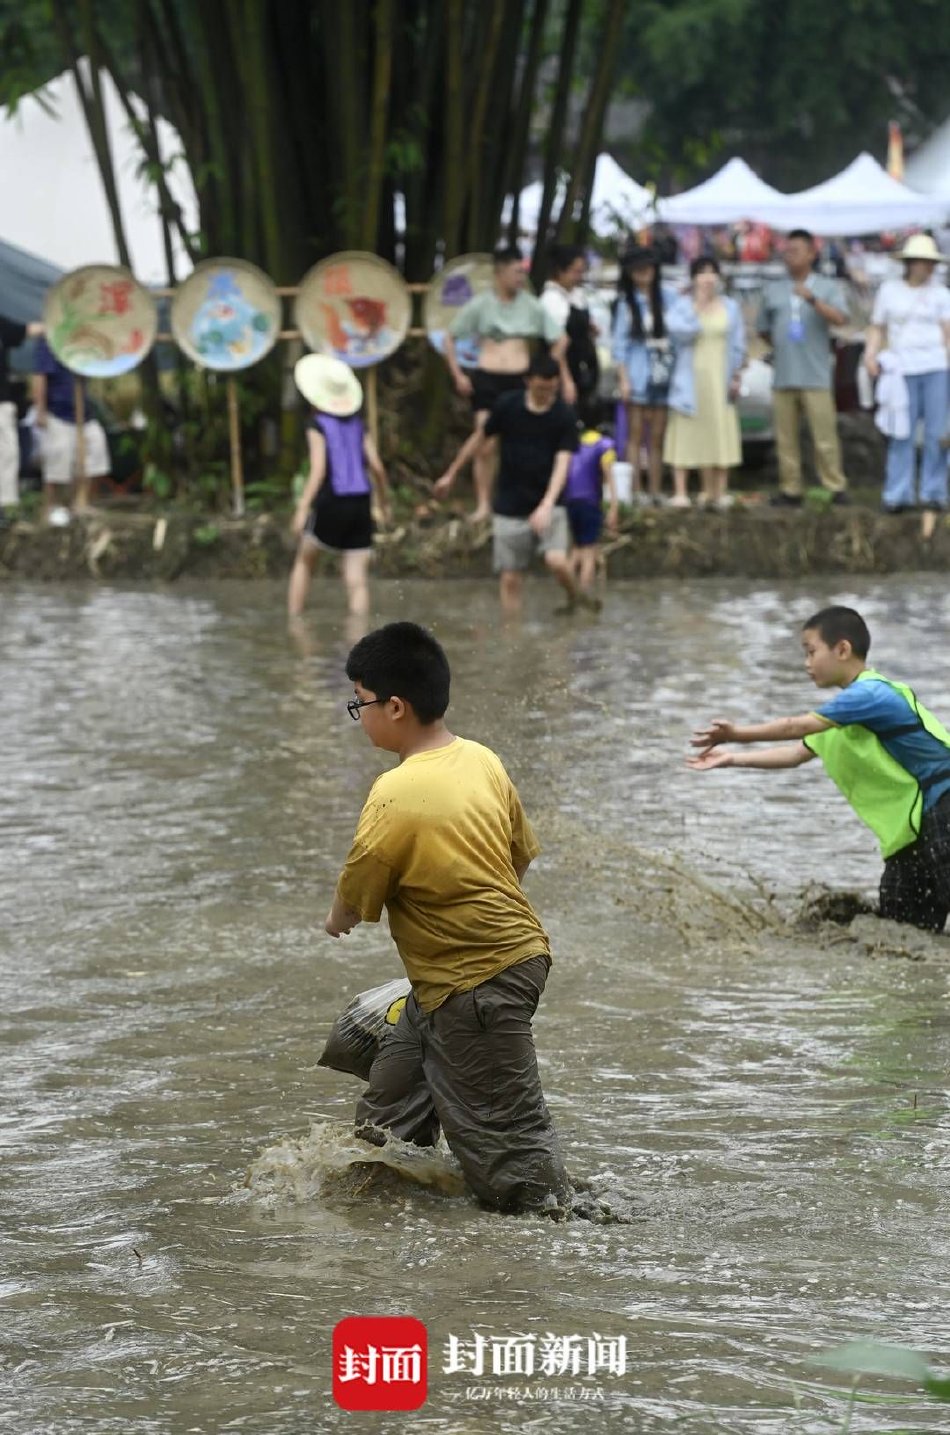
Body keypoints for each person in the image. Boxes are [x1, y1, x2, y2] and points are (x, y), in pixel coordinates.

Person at [325, 621, 571, 1216]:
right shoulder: (481, 760)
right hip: (468, 974)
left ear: (396, 706)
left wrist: (336, 918)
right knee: (389, 1114)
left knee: (509, 1155)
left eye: (359, 703)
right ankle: (386, 1198)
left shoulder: (395, 791)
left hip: (478, 983)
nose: (360, 716)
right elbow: (517, 859)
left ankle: (569, 1234)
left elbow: (357, 897)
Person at [688, 605, 950, 932]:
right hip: (913, 831)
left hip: (943, 808)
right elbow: (795, 753)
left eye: (811, 652)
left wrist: (737, 734)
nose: (806, 663)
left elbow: (792, 727)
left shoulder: (871, 693)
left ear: (842, 649)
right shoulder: (841, 717)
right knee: (901, 931)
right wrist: (731, 759)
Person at [434, 353, 580, 614]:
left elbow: (563, 464)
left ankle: (575, 597)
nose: (547, 393)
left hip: (550, 501)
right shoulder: (508, 406)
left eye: (552, 388)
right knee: (510, 577)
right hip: (510, 502)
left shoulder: (563, 416)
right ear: (528, 381)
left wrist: (546, 504)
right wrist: (451, 474)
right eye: (541, 387)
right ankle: (513, 638)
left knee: (557, 560)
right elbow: (478, 439)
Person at [442, 244, 568, 521]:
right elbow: (449, 337)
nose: (520, 278)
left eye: (522, 273)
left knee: (518, 442)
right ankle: (483, 503)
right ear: (499, 273)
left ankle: (513, 498)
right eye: (515, 272)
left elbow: (560, 339)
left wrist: (544, 372)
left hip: (519, 378)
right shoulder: (480, 305)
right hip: (487, 377)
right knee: (485, 440)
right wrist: (458, 374)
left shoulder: (532, 306)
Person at [288, 354, 390, 620]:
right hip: (361, 502)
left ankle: (295, 623)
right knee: (357, 580)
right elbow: (377, 467)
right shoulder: (358, 424)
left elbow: (319, 470)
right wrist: (383, 502)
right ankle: (358, 640)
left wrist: (301, 509)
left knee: (305, 560)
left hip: (333, 499)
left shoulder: (317, 425)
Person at [863, 233, 950, 537]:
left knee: (938, 434)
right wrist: (870, 354)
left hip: (936, 366)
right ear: (909, 263)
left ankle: (934, 492)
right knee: (901, 431)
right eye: (920, 262)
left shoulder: (941, 295)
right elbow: (878, 326)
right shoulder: (890, 291)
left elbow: (948, 333)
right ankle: (897, 493)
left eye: (929, 263)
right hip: (901, 368)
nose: (924, 267)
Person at [757, 228, 849, 507]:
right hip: (784, 373)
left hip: (816, 374)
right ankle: (791, 489)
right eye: (786, 251)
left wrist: (812, 300)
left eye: (796, 250)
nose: (790, 256)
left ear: (811, 253)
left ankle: (834, 485)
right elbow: (763, 329)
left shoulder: (827, 287)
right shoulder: (773, 289)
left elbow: (840, 319)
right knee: (785, 437)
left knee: (824, 434)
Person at [663, 257, 745, 509]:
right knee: (686, 430)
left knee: (719, 430)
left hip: (720, 375)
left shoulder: (730, 307)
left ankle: (717, 492)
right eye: (702, 273)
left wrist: (736, 374)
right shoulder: (683, 306)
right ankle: (681, 491)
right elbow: (678, 332)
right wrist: (699, 306)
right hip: (690, 376)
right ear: (693, 278)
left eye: (712, 272)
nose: (708, 278)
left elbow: (738, 343)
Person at [611, 245, 676, 505]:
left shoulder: (669, 298)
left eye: (647, 267)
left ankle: (656, 489)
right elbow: (619, 345)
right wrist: (624, 379)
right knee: (635, 436)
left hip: (663, 374)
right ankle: (636, 491)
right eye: (637, 268)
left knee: (658, 437)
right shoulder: (626, 304)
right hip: (637, 376)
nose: (643, 272)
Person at [32, 337, 111, 523]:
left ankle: (81, 503)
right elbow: (39, 376)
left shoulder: (86, 342)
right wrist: (40, 410)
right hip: (58, 412)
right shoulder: (49, 341)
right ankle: (50, 507)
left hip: (84, 414)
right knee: (58, 462)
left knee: (96, 453)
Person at [540, 244, 600, 425]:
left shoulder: (576, 296)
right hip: (565, 370)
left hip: (583, 369)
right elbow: (557, 344)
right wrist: (566, 380)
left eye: (582, 272)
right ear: (560, 271)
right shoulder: (551, 300)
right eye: (575, 272)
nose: (579, 277)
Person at [563, 427, 618, 606]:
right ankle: (583, 596)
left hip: (569, 503)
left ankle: (569, 594)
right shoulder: (604, 446)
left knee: (577, 550)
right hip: (589, 503)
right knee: (589, 553)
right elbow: (609, 474)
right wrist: (614, 507)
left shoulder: (574, 443)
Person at [0, 314, 44, 523]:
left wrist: (57, 326)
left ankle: (5, 508)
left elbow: (26, 330)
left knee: (6, 455)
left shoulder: (2, 324)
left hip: (1, 402)